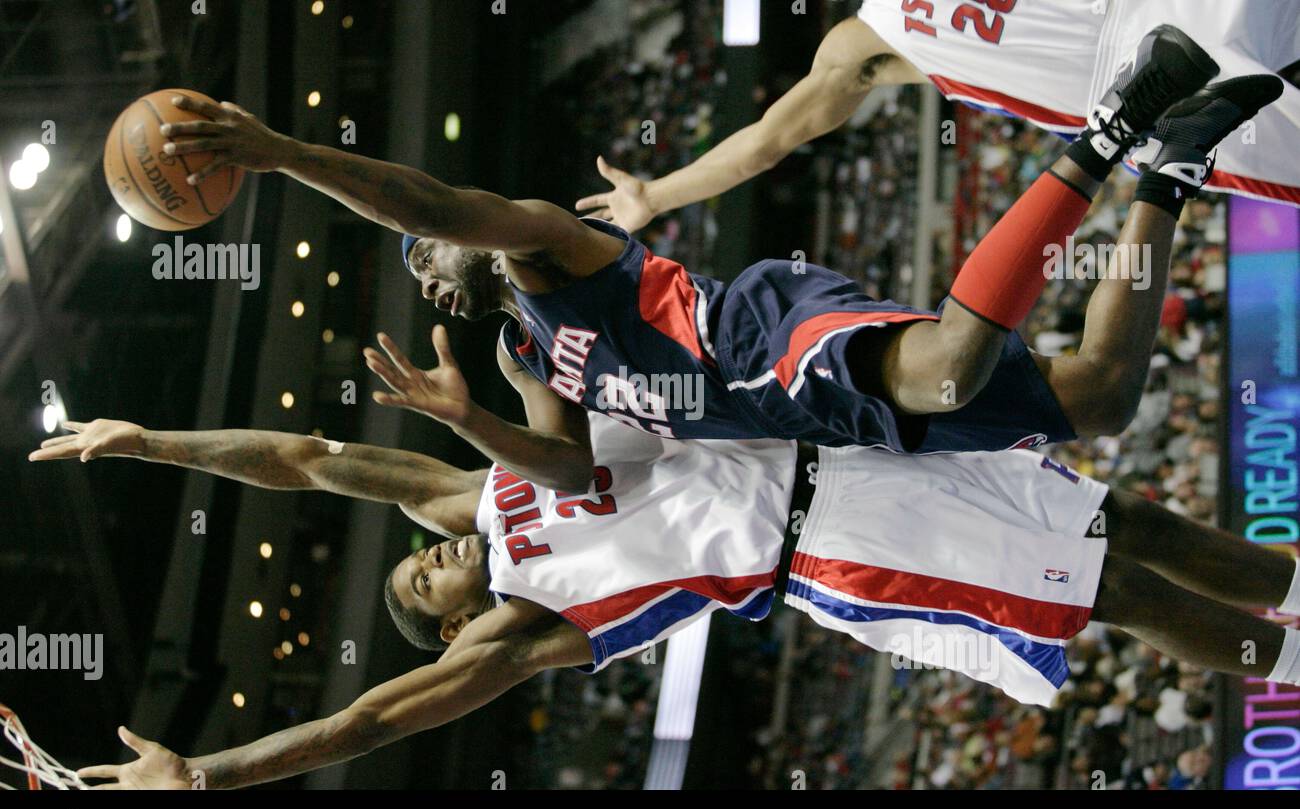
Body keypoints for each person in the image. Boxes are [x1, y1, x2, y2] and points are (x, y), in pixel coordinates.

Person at [159, 28, 1277, 493]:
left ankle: (1111, 128)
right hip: (796, 416)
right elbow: (571, 476)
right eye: (416, 267)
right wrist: (469, 424)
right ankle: (1169, 173)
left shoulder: (546, 247)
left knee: (945, 371)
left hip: (754, 333)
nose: (425, 260)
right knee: (1104, 398)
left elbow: (433, 197)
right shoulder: (522, 356)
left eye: (428, 247)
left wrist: (277, 153)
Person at [31, 395, 1300, 788]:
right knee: (1110, 586)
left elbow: (307, 464)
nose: (418, 564)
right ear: (460, 625)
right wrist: (209, 777)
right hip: (828, 542)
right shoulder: (529, 623)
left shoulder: (478, 494)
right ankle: (1280, 661)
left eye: (412, 557)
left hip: (840, 457)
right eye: (422, 592)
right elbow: (367, 723)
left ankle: (1290, 580)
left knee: (1110, 513)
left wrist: (151, 446)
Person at [576, 0, 1300, 227]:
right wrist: (658, 193)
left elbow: (773, 140)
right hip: (1154, 68)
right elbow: (772, 137)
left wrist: (659, 195)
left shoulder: (863, 43)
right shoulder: (869, 37)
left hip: (1153, 71)